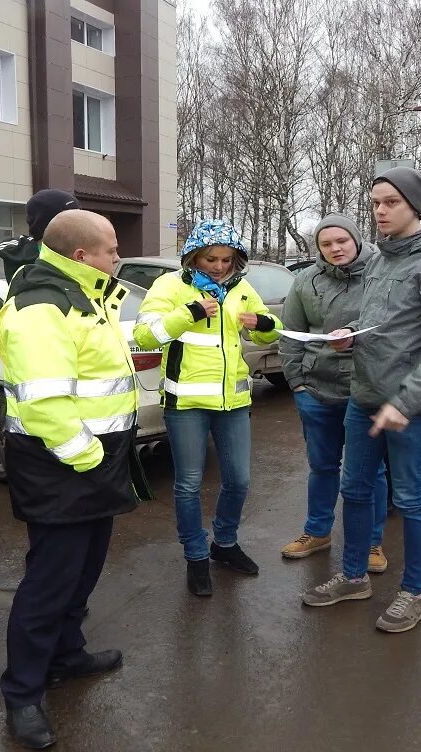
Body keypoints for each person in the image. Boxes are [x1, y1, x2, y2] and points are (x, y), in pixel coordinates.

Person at [302, 167, 421, 633]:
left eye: (390, 202)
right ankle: (354, 576)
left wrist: (407, 400)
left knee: (411, 499)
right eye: (376, 202)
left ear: (415, 206)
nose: (379, 211)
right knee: (354, 490)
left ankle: (415, 593)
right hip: (364, 398)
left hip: (411, 409)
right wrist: (349, 340)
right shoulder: (378, 260)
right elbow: (386, 328)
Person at [0, 209, 139, 750]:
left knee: (83, 571)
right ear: (81, 255)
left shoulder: (86, 293)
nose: (117, 255)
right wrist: (86, 456)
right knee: (50, 581)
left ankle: (66, 654)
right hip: (61, 464)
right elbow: (44, 400)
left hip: (93, 461)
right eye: (111, 247)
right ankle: (23, 692)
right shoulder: (41, 304)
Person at [133, 218, 282, 596]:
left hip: (232, 402)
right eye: (211, 259)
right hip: (185, 404)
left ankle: (225, 544)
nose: (218, 267)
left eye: (227, 260)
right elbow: (145, 334)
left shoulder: (241, 288)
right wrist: (191, 313)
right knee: (188, 484)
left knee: (239, 480)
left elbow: (268, 330)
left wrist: (264, 323)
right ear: (193, 256)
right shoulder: (168, 286)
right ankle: (196, 556)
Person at [279, 214, 390, 573]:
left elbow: (394, 327)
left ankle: (372, 542)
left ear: (356, 239)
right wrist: (298, 385)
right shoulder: (306, 280)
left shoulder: (382, 273)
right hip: (316, 390)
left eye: (341, 241)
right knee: (322, 466)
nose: (335, 249)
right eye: (326, 244)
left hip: (366, 390)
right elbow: (291, 333)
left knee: (370, 472)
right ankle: (317, 532)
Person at [0, 189, 80, 281]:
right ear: (49, 221)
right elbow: (3, 247)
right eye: (70, 217)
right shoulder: (20, 251)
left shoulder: (78, 249)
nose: (79, 221)